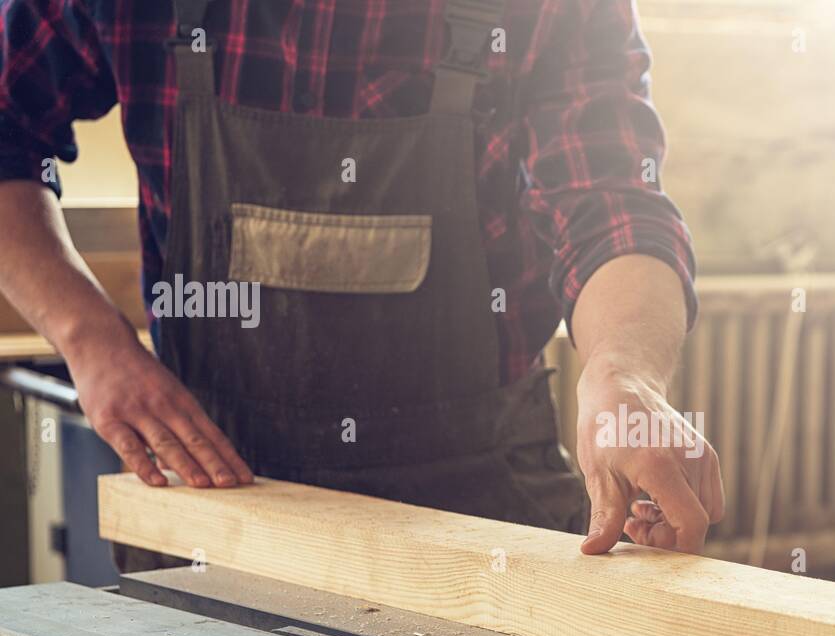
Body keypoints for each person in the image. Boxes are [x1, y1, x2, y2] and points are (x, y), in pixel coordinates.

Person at [0, 0, 724, 561]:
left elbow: (614, 205)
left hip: (479, 507)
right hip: (211, 501)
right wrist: (89, 339)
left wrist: (623, 373)